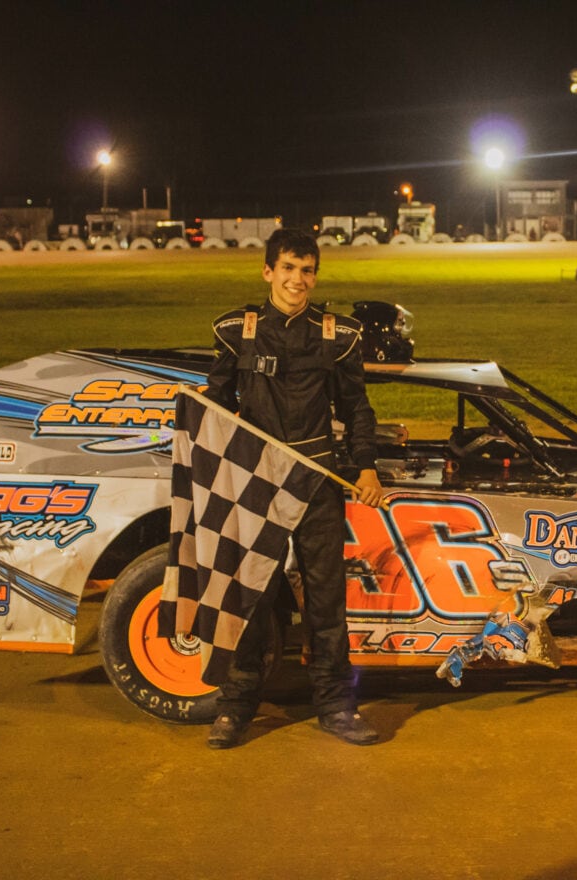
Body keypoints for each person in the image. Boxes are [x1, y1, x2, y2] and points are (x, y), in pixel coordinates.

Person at [203, 228, 385, 748]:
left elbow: (357, 409)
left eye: (307, 270)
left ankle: (336, 706)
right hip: (254, 483)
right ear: (267, 272)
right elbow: (213, 411)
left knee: (326, 602)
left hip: (316, 479)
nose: (297, 280)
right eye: (287, 268)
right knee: (252, 595)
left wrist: (366, 467)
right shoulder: (235, 330)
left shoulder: (338, 334)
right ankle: (236, 707)